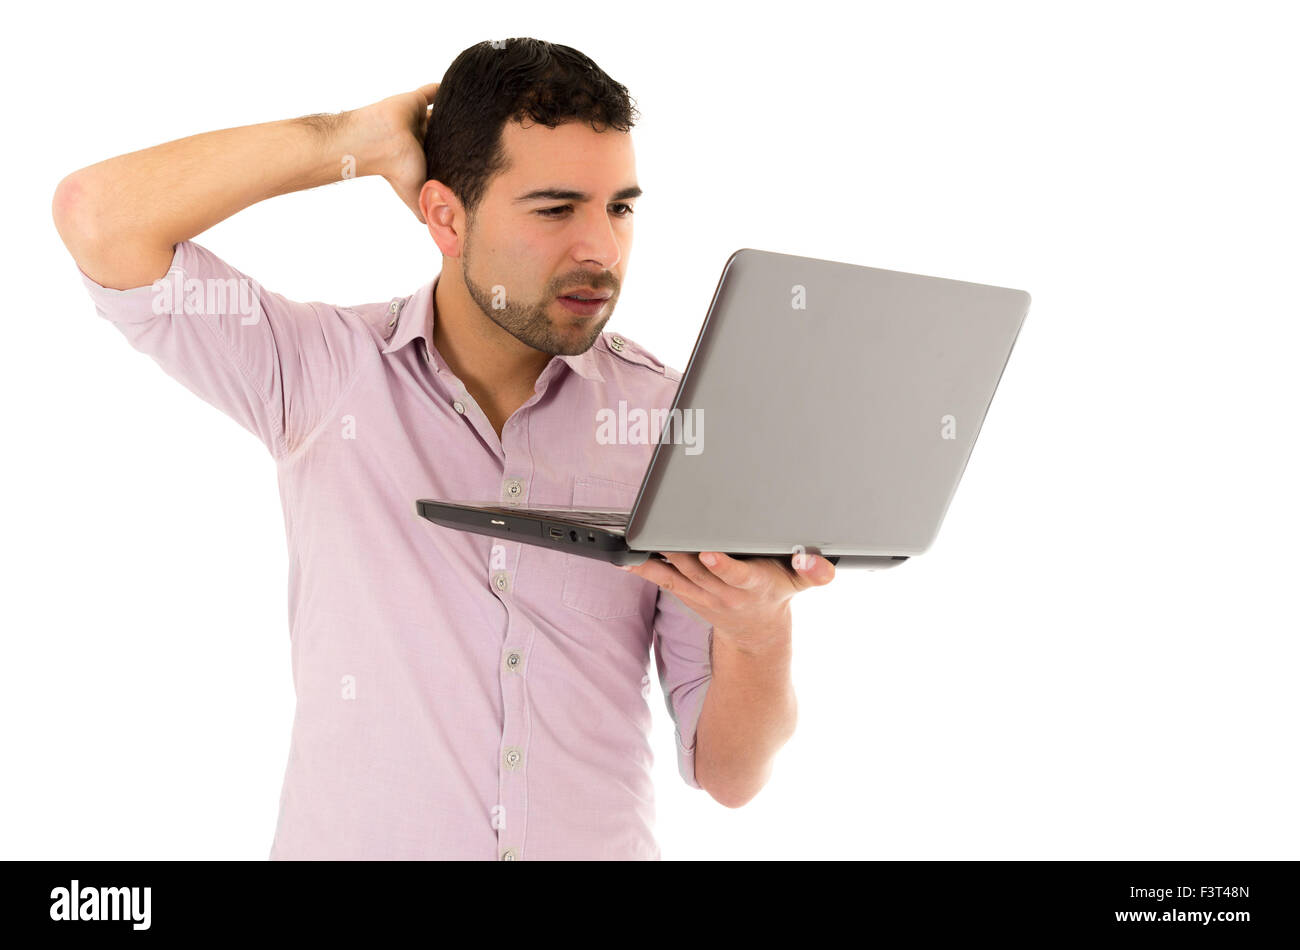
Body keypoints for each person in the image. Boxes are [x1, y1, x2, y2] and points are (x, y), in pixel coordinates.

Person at [52, 37, 836, 860]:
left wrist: (760, 630)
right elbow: (98, 215)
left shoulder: (672, 422)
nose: (601, 250)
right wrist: (348, 138)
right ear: (445, 216)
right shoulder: (321, 375)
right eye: (556, 208)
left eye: (620, 207)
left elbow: (729, 773)